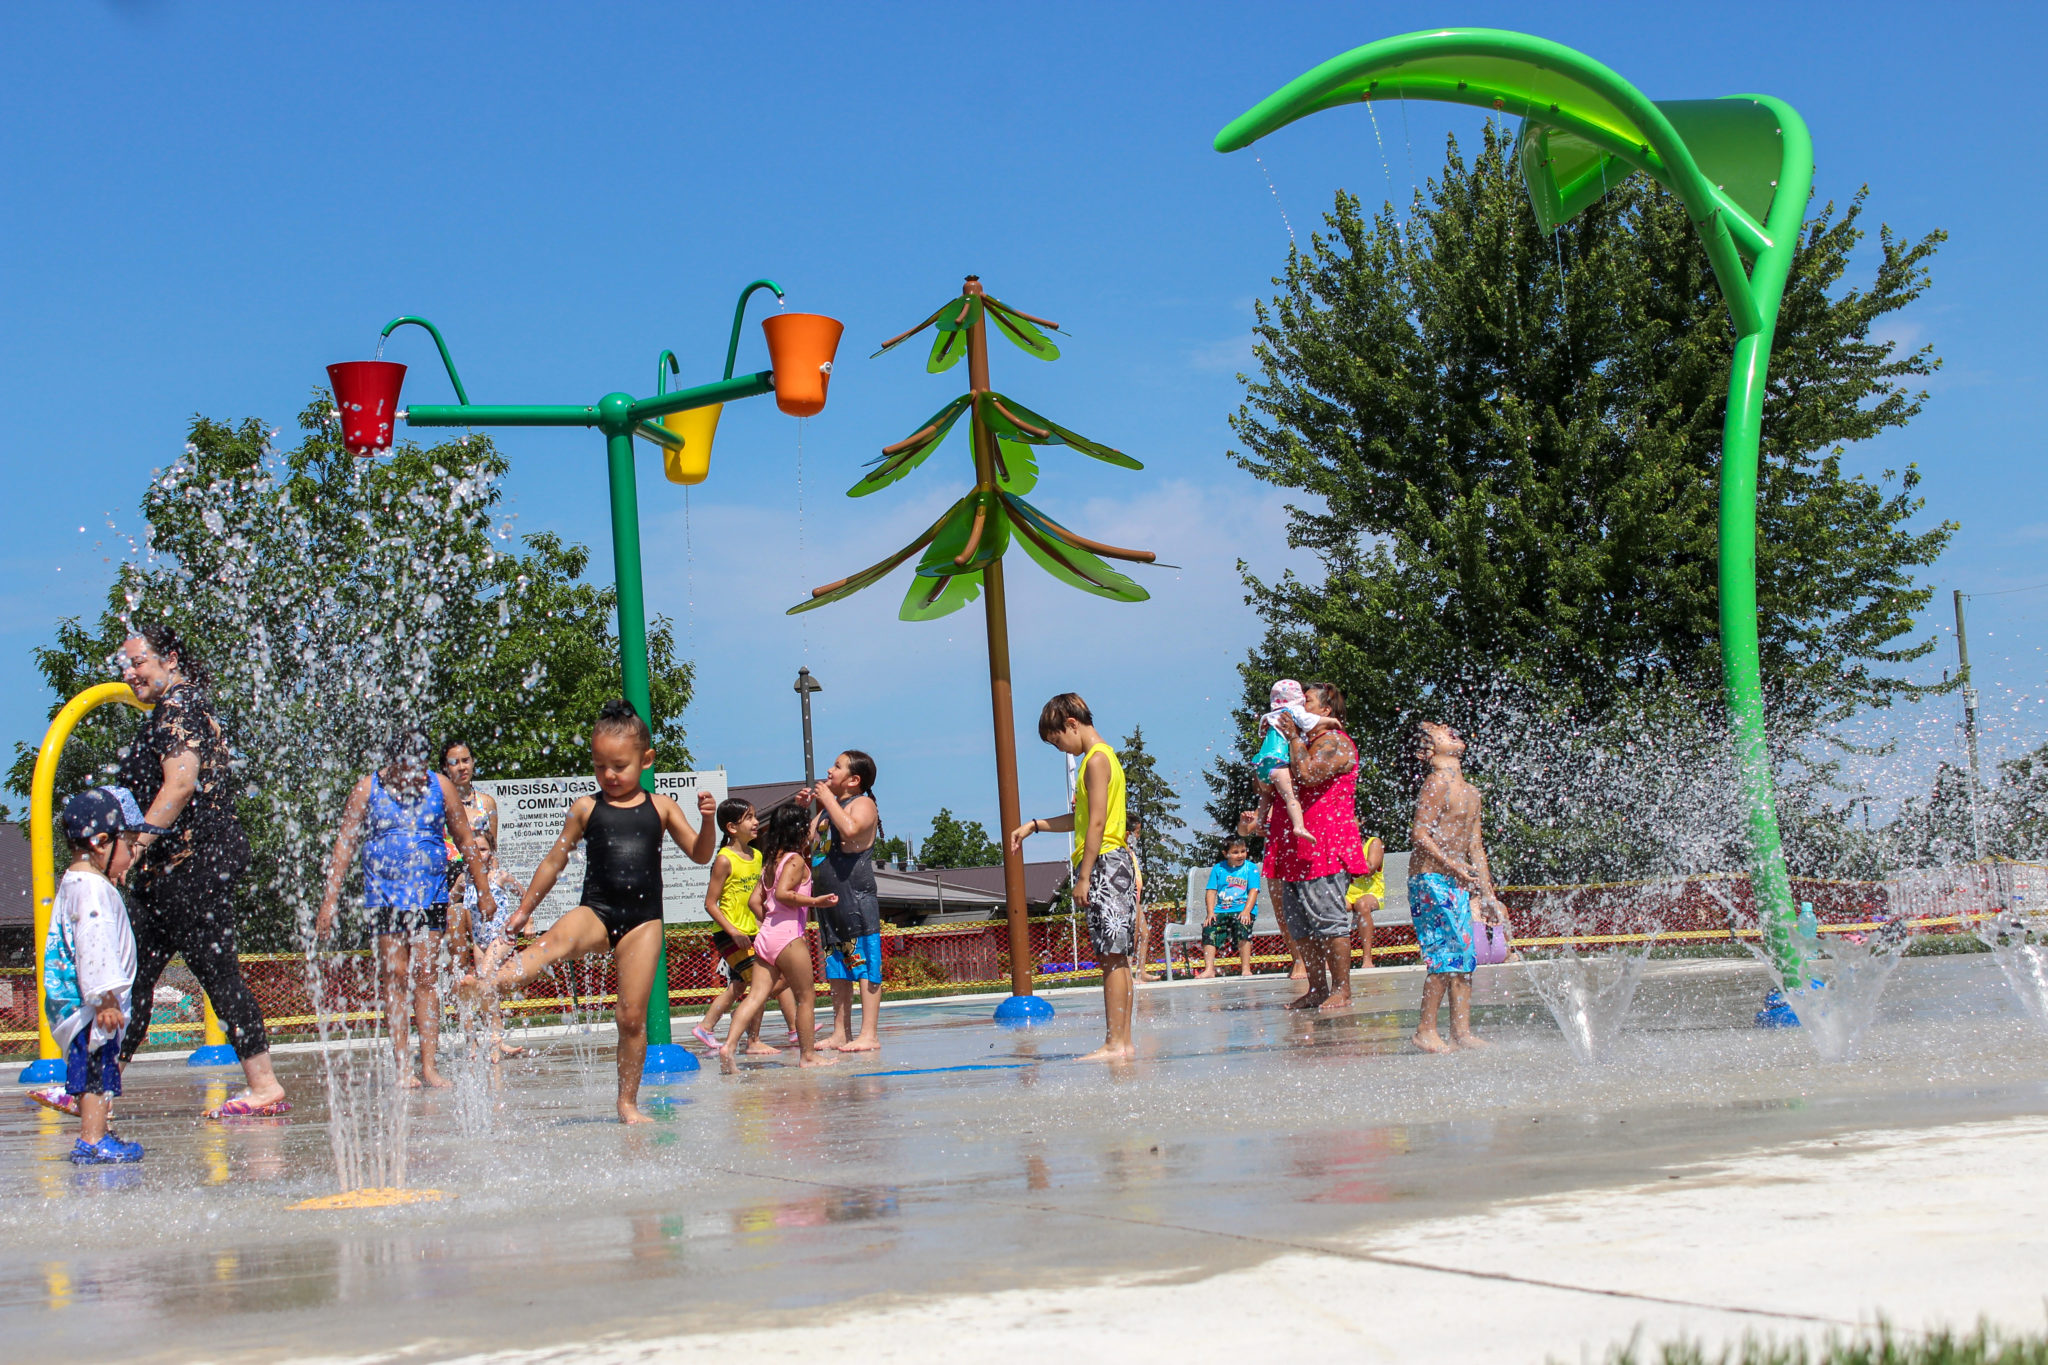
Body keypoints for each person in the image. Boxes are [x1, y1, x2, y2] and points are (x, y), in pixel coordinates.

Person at [462, 699, 717, 1122]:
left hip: (643, 922)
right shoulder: (586, 807)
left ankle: (627, 1102)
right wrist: (523, 911)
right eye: (600, 767)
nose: (609, 775)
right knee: (550, 944)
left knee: (630, 1018)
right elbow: (554, 861)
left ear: (646, 760)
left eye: (619, 766)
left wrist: (708, 821)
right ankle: (489, 985)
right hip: (595, 911)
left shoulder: (661, 807)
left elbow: (700, 853)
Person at [115, 625, 289, 1119]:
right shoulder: (176, 708)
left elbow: (180, 785)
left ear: (169, 659)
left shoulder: (179, 706)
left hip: (193, 865)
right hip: (171, 869)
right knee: (130, 976)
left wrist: (134, 846)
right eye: (125, 666)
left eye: (138, 662)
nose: (129, 674)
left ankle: (264, 1085)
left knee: (213, 973)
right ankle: (95, 1086)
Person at [317, 730, 496, 1087]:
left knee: (426, 975)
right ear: (393, 763)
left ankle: (429, 1067)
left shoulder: (440, 786)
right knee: (396, 976)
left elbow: (465, 839)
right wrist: (329, 901)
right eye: (407, 769)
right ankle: (402, 1068)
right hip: (385, 896)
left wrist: (484, 890)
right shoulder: (368, 789)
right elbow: (344, 844)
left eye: (420, 768)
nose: (414, 777)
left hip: (430, 894)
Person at [1010, 693, 1139, 1063]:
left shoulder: (1096, 761)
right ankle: (1123, 1042)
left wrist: (1084, 877)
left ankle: (1115, 1043)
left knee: (1112, 956)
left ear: (1071, 724)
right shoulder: (1102, 758)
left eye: (1058, 742)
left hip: (1105, 864)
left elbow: (1096, 823)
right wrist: (1034, 825)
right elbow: (1081, 819)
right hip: (1111, 862)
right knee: (1116, 956)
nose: (1060, 749)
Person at [1238, 682, 1369, 1013]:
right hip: (1294, 848)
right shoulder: (1295, 743)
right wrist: (1270, 752)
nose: (1298, 706)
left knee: (1329, 921)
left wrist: (1294, 736)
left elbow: (1309, 774)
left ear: (1325, 710)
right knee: (1300, 926)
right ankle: (1317, 988)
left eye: (1306, 702)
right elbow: (1264, 783)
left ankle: (1341, 989)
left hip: (1324, 845)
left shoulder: (1336, 742)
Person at [42, 788, 143, 1163]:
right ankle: (93, 1139)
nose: (133, 855)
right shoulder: (93, 890)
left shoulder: (75, 882)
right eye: (129, 845)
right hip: (92, 1006)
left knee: (94, 1069)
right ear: (101, 843)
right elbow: (93, 943)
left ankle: (95, 1134)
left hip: (77, 1004)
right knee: (98, 1070)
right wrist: (105, 998)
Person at [1405, 719, 1505, 1052]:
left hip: (1454, 880)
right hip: (1430, 879)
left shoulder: (1472, 792)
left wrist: (1488, 895)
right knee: (1445, 953)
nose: (1447, 727)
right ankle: (1425, 1030)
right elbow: (1420, 834)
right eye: (1436, 728)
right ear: (1426, 752)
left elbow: (1476, 846)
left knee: (1464, 954)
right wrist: (1452, 865)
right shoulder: (1437, 782)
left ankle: (1461, 1031)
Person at [720, 802, 839, 1073]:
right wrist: (816, 901)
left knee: (755, 997)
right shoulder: (794, 860)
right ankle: (808, 1055)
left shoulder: (771, 862)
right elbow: (784, 894)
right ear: (798, 831)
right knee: (806, 997)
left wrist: (770, 921)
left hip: (766, 936)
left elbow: (754, 901)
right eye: (807, 827)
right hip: (788, 937)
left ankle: (728, 1046)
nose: (810, 832)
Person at [441, 739, 530, 1060]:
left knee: (486, 967)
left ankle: (495, 1035)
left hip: (482, 886)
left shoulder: (486, 803)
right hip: (453, 883)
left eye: (466, 760)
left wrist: (492, 889)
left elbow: (493, 847)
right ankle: (470, 1039)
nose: (461, 767)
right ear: (444, 768)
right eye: (454, 762)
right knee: (459, 966)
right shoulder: (440, 802)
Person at [692, 797, 795, 1056]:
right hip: (732, 934)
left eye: (755, 816)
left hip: (753, 932)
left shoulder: (756, 855)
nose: (756, 822)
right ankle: (750, 1037)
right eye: (749, 818)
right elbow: (710, 903)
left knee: (740, 986)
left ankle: (707, 1027)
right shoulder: (724, 859)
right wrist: (733, 931)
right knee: (766, 982)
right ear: (731, 827)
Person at [802, 751, 885, 1052]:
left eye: (837, 767)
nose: (829, 770)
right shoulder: (829, 809)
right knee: (837, 966)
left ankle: (869, 1034)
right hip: (830, 901)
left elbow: (850, 828)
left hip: (856, 897)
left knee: (865, 964)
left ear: (853, 780)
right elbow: (806, 843)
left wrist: (827, 800)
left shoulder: (863, 804)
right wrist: (806, 809)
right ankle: (841, 1032)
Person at [1255, 679, 1338, 842]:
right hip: (1279, 763)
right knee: (1291, 797)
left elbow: (1262, 734)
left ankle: (1260, 823)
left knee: (1266, 794)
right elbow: (1309, 721)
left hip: (1262, 764)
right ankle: (1299, 826)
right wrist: (1330, 721)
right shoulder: (1293, 712)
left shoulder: (1269, 716)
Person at [1199, 837, 1261, 979]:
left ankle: (1245, 968)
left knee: (1242, 927)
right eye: (1235, 852)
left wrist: (1246, 911)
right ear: (1225, 853)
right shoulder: (1218, 869)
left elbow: (1253, 891)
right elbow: (1211, 891)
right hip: (1221, 910)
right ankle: (1209, 969)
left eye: (1243, 851)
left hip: (1242, 909)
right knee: (1209, 928)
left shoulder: (1250, 868)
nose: (1240, 855)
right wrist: (1210, 913)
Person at [1344, 835, 1388, 968]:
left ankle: (1367, 959)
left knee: (1361, 905)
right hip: (1348, 895)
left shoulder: (1374, 843)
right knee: (1330, 906)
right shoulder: (1341, 842)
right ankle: (1332, 959)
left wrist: (1349, 853)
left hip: (1372, 894)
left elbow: (1369, 869)